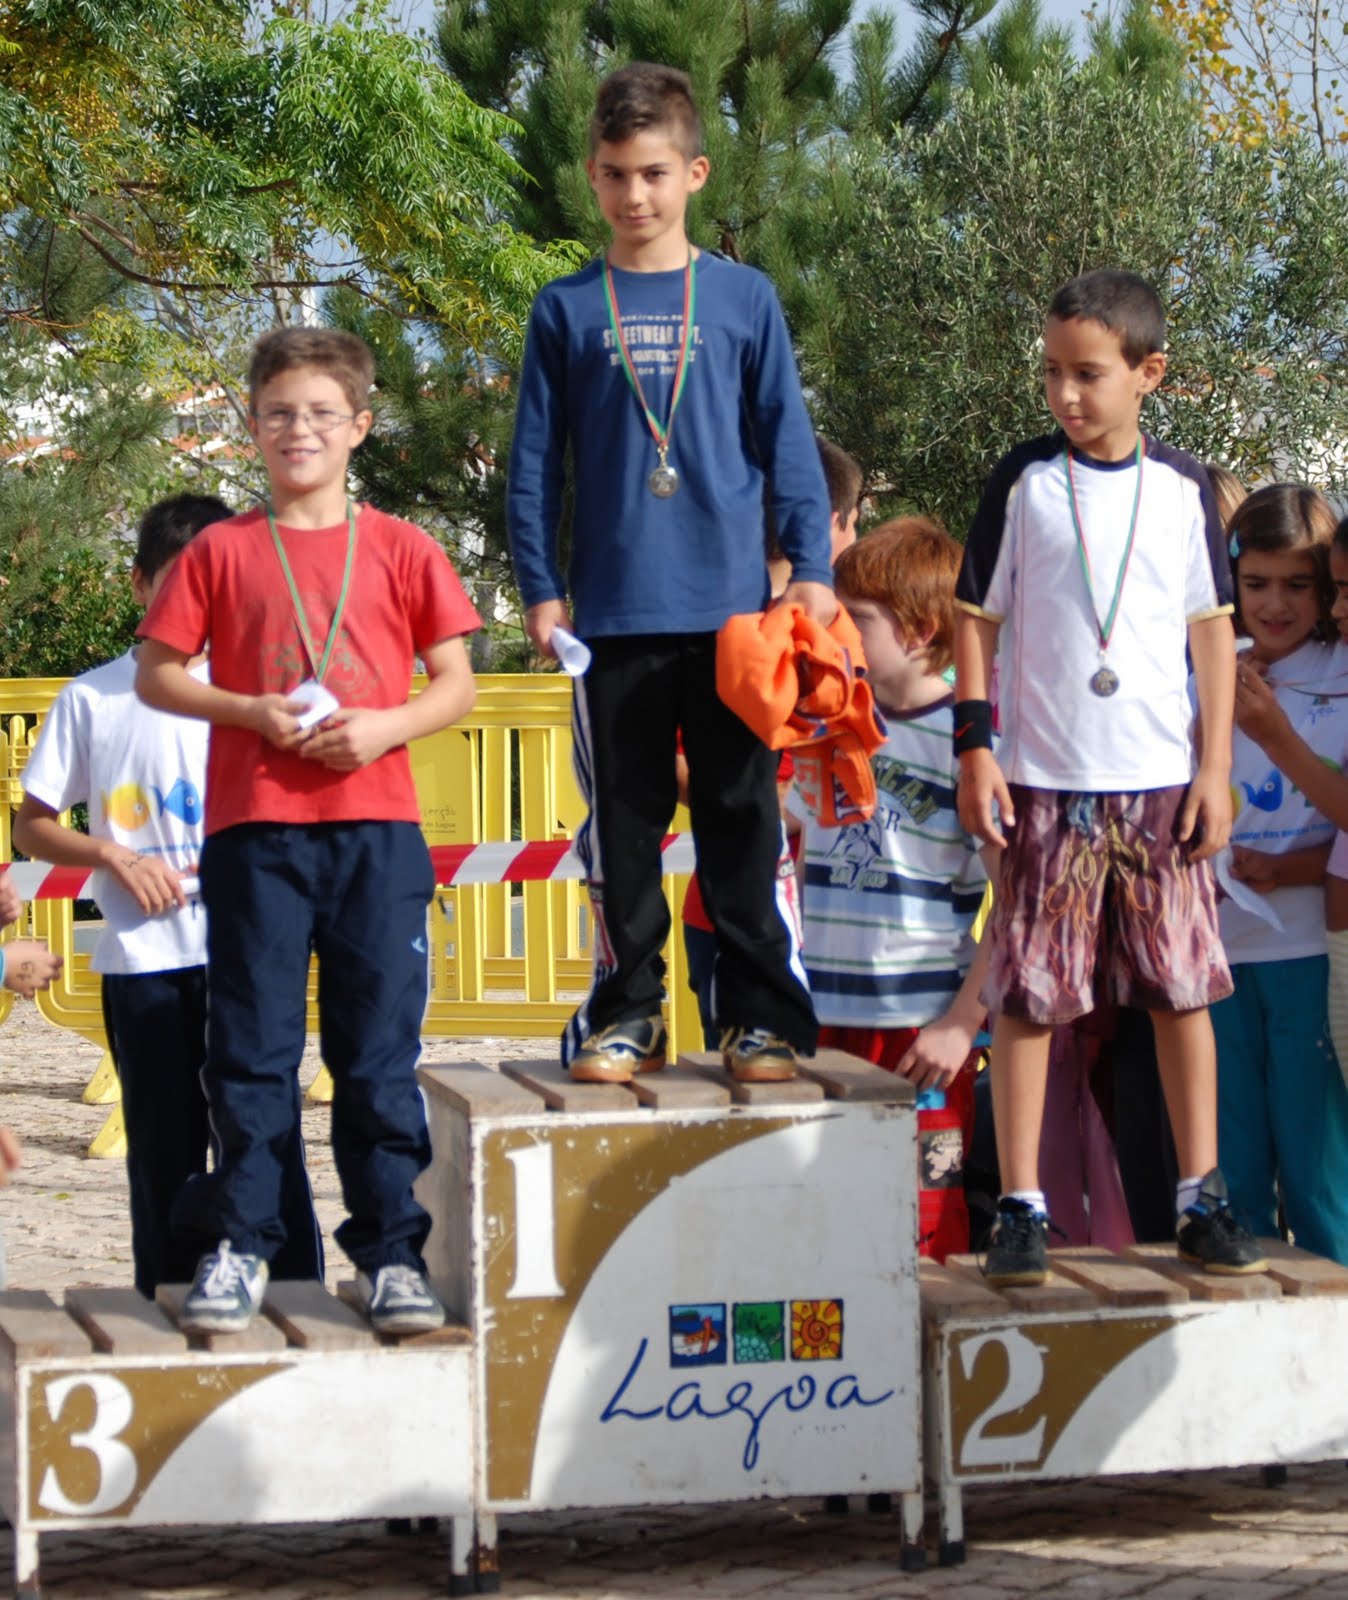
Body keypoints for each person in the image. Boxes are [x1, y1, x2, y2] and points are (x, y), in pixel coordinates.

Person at [135, 326, 481, 1335]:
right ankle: (241, 1242)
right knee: (248, 1048)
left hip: (376, 831)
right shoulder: (221, 549)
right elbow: (160, 671)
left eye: (321, 413)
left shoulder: (405, 547)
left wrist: (382, 726)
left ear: (359, 426)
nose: (300, 430)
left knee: (374, 1054)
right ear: (251, 425)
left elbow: (455, 679)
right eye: (279, 412)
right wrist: (250, 711)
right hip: (256, 832)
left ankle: (389, 1254)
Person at [506, 62, 836, 1084]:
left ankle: (759, 1017)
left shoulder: (743, 298)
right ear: (591, 178)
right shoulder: (564, 308)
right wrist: (539, 587)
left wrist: (811, 568)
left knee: (741, 819)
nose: (633, 195)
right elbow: (532, 461)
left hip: (736, 613)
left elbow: (787, 439)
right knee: (624, 830)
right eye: (614, 174)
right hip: (608, 615)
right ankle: (628, 1010)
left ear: (694, 172)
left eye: (653, 172)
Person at [954, 267, 1266, 1284]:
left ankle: (1200, 1194)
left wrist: (1212, 768)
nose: (1064, 396)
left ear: (1148, 373)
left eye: (1087, 375)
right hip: (1045, 780)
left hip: (1159, 784)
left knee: (1179, 989)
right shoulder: (1023, 482)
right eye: (1050, 373)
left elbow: (1213, 634)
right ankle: (1020, 1204)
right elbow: (975, 620)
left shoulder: (1180, 492)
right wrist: (975, 745)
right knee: (1031, 994)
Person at [14, 493, 323, 1298]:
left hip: (249, 961)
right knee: (163, 1156)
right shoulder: (94, 698)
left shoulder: (263, 695)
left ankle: (296, 1302)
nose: (194, 601)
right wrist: (110, 853)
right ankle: (167, 1313)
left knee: (266, 1142)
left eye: (212, 582)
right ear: (138, 583)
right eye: (174, 582)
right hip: (142, 964)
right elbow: (32, 828)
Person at [789, 519, 996, 1259]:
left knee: (925, 1223)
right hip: (822, 1027)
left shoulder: (970, 745)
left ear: (919, 631)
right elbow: (781, 845)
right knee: (829, 1223)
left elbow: (1019, 907)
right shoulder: (825, 726)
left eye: (858, 620)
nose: (838, 633)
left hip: (920, 1034)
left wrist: (961, 1025)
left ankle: (933, 1373)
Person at [681, 434, 862, 1045]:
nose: (856, 541)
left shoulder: (851, 624)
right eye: (855, 522)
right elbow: (668, 761)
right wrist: (777, 809)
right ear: (826, 519)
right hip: (738, 907)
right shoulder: (716, 622)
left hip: (843, 911)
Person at [1206, 485, 1348, 1262]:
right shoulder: (1210, 663)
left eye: (1298, 584)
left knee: (1320, 1173)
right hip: (1218, 955)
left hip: (1311, 953)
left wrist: (1285, 867)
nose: (1276, 604)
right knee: (1237, 1180)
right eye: (1256, 583)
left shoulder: (1345, 666)